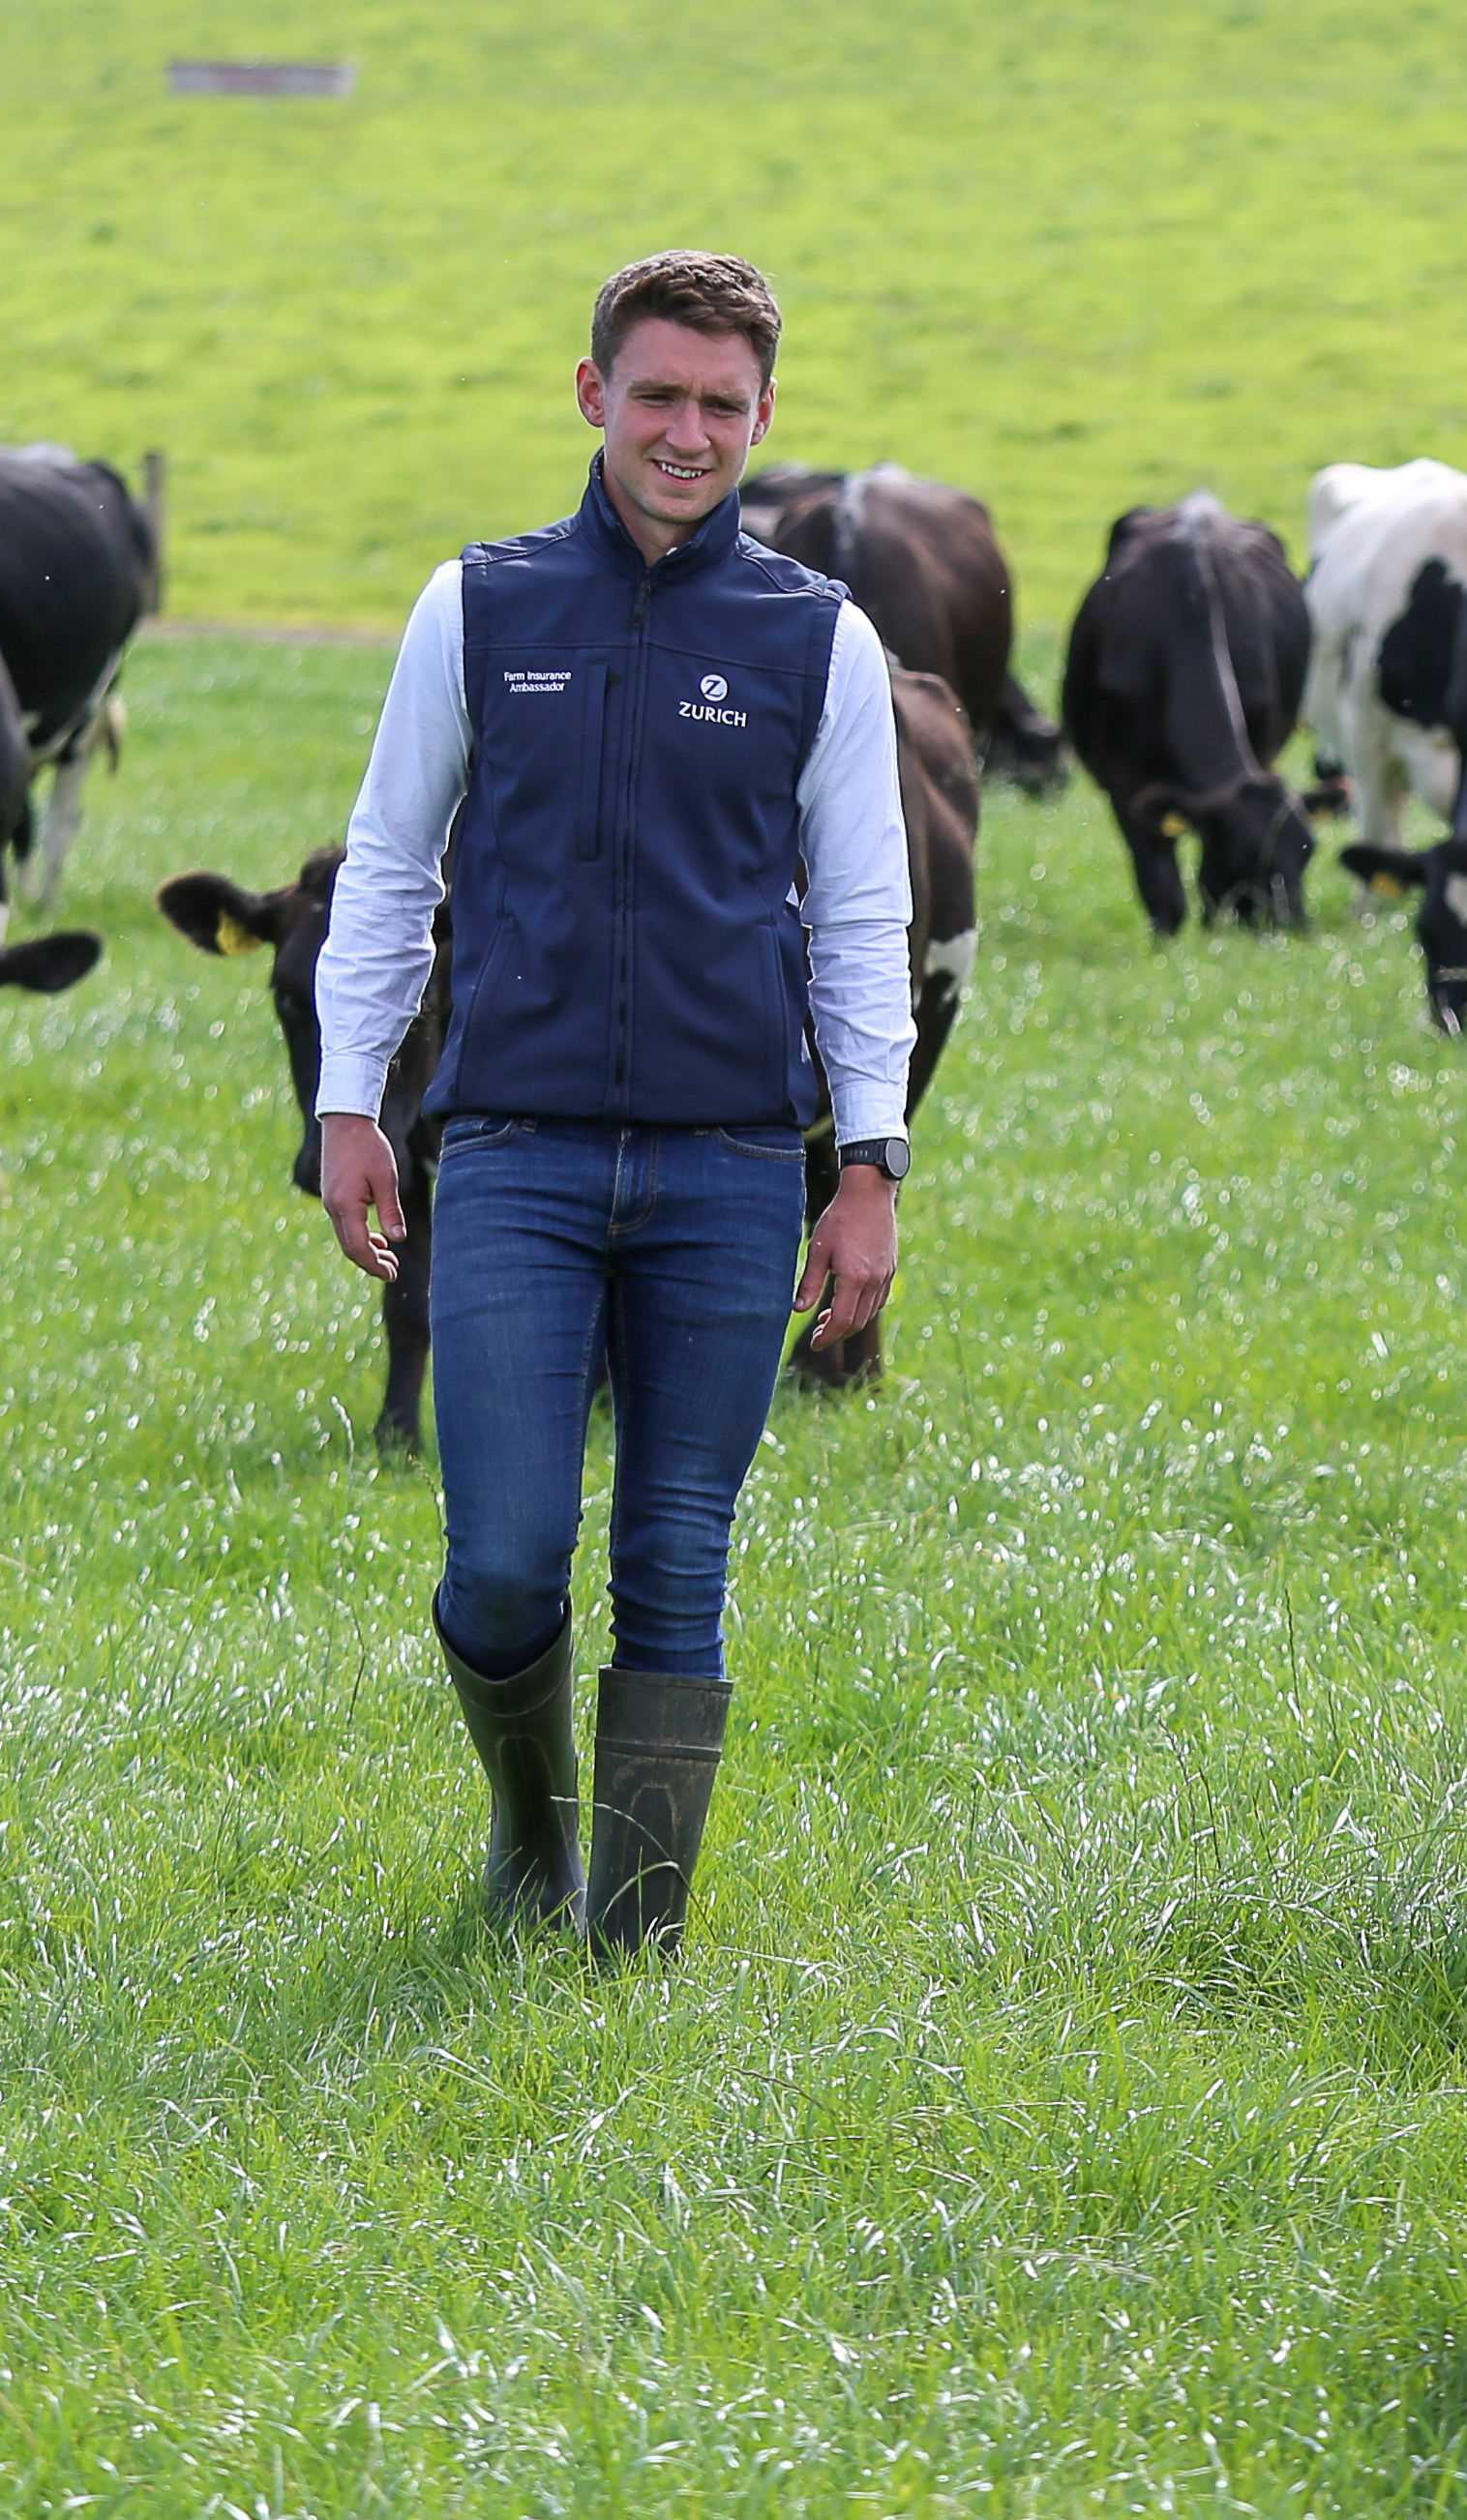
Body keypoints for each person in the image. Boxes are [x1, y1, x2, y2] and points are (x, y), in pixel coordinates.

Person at [310, 251, 915, 1962]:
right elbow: (383, 865)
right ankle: (526, 1828)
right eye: (657, 394)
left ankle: (630, 1950)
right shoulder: (477, 608)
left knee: (674, 1552)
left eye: (723, 405)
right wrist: (353, 1099)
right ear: (592, 395)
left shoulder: (820, 639)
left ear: (764, 418)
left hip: (733, 1166)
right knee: (504, 1555)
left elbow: (866, 917)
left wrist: (864, 1161)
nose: (687, 431)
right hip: (512, 1153)